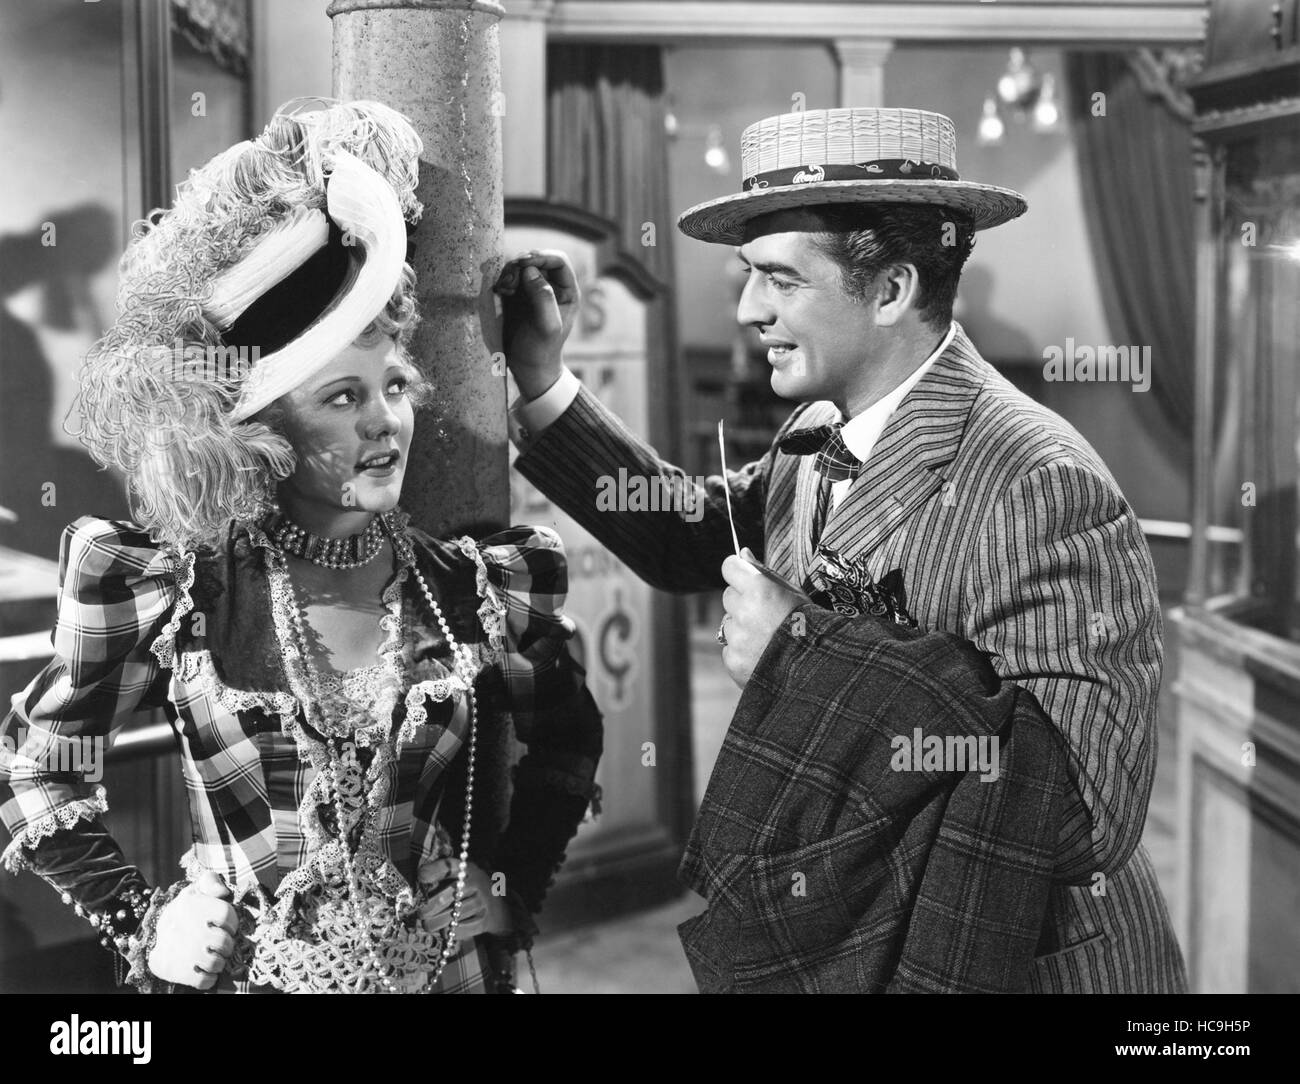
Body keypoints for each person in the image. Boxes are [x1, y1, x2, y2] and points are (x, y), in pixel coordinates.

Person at [497, 106, 1186, 992]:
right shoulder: (821, 425)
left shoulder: (1039, 481)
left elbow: (1080, 812)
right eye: (748, 277)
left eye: (780, 280)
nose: (748, 310)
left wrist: (801, 658)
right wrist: (545, 382)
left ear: (891, 289)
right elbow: (693, 534)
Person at [0, 100, 602, 994]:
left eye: (393, 384)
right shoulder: (178, 592)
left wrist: (507, 883)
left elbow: (568, 740)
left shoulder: (476, 586)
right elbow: (39, 765)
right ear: (265, 429)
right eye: (341, 399)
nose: (386, 422)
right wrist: (147, 922)